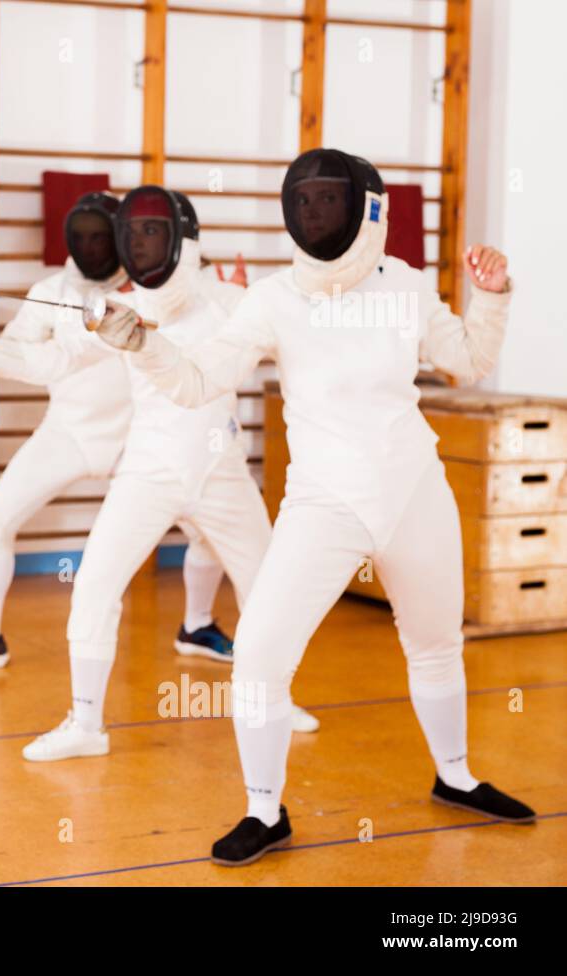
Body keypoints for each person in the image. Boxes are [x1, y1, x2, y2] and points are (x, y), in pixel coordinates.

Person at [96, 148, 536, 865]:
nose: (313, 214)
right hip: (323, 503)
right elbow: (197, 378)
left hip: (412, 490)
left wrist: (493, 295)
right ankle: (264, 812)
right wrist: (141, 345)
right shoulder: (273, 299)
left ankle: (456, 775)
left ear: (366, 208)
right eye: (303, 203)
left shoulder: (408, 287)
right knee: (261, 656)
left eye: (327, 202)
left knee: (434, 643)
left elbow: (470, 361)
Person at [0, 186, 317, 761]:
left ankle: (275, 699)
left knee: (266, 589)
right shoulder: (123, 308)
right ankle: (85, 724)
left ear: (183, 240)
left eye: (153, 232)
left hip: (222, 470)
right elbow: (55, 359)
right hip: (147, 468)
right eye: (135, 233)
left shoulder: (231, 299)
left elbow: (292, 346)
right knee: (94, 586)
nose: (141, 244)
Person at [0, 192, 242, 676]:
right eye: (83, 237)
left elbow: (218, 324)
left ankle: (197, 625)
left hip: (138, 442)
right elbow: (34, 357)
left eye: (103, 236)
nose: (93, 246)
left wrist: (229, 299)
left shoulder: (159, 293)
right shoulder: (49, 292)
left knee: (210, 530)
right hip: (69, 433)